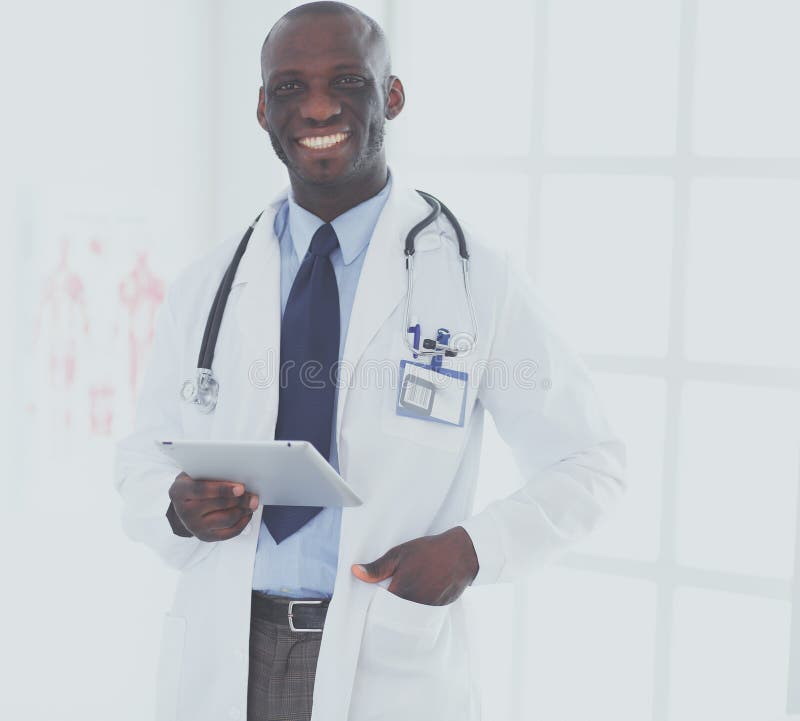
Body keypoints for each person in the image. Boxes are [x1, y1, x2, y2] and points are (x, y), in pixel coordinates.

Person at [114, 3, 627, 720]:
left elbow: (591, 461)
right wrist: (175, 507)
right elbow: (143, 457)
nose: (318, 106)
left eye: (347, 81)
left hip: (384, 655)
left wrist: (473, 549)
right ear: (262, 109)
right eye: (290, 87)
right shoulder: (209, 284)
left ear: (393, 95)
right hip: (227, 649)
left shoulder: (476, 279)